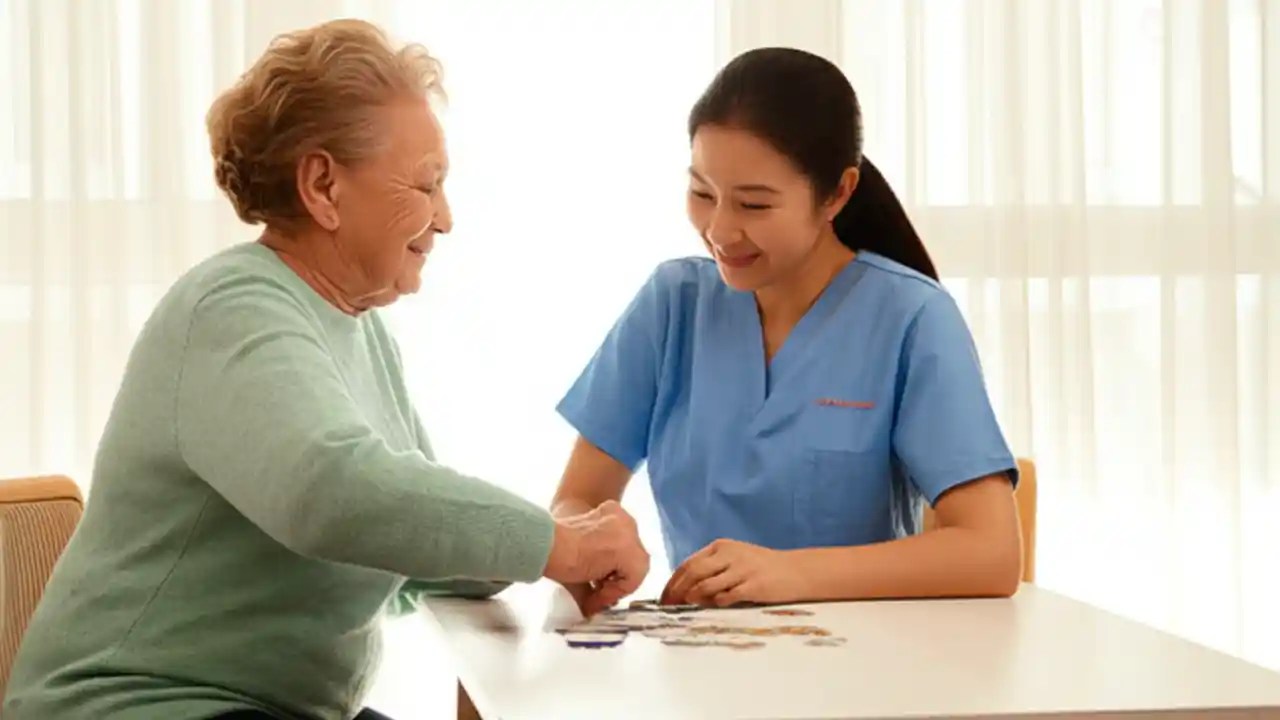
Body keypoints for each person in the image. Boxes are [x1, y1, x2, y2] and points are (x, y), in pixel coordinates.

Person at [3, 19, 647, 720]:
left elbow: (405, 530)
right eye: (426, 185)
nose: (446, 218)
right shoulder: (230, 309)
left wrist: (550, 549)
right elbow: (332, 492)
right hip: (138, 707)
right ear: (322, 186)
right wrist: (556, 544)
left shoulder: (356, 328)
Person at [550, 47, 1021, 610]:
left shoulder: (911, 318)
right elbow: (577, 499)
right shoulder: (672, 304)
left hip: (868, 669)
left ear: (838, 194)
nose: (720, 230)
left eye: (753, 204)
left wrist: (792, 575)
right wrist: (593, 544)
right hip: (701, 669)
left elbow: (992, 553)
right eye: (702, 193)